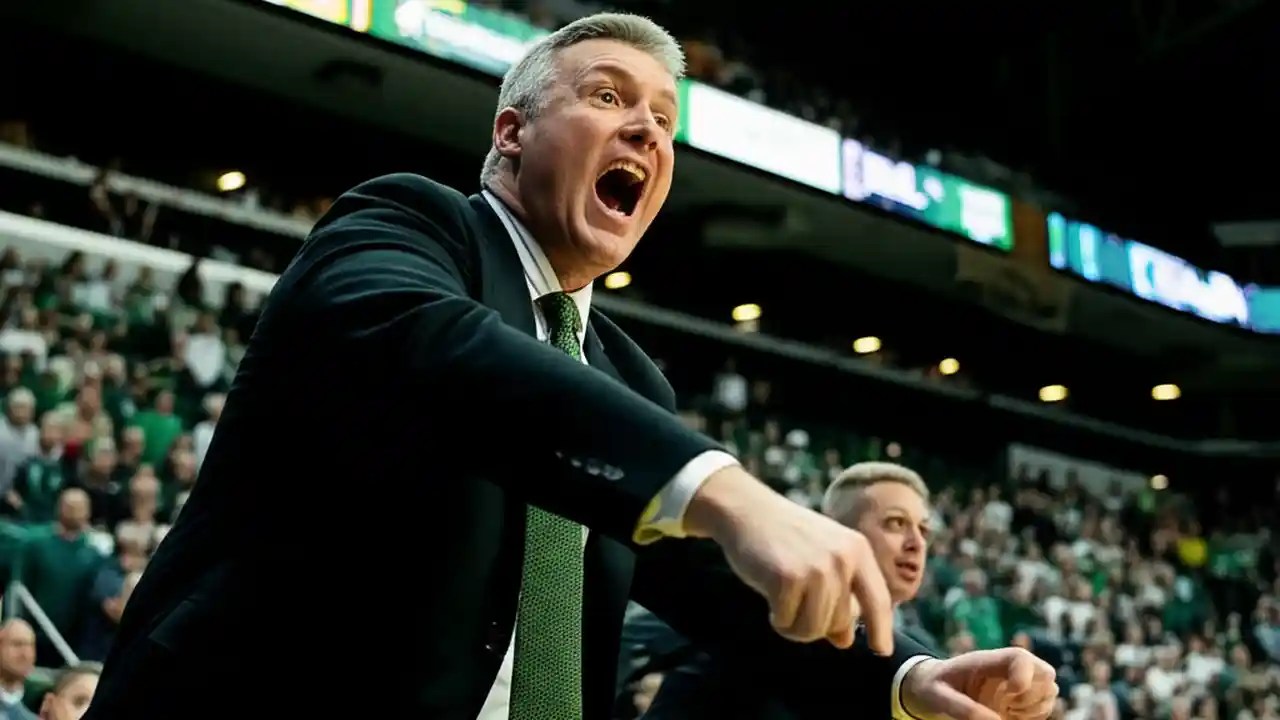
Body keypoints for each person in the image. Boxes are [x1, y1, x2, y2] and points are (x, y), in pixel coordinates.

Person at [85, 13, 1057, 720]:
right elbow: (438, 351)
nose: (645, 130)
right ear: (510, 132)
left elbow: (718, 591)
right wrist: (719, 484)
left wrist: (896, 678)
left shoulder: (628, 379)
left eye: (663, 120)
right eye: (606, 97)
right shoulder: (410, 226)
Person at [628, 462, 940, 719]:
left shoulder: (924, 654)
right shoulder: (749, 619)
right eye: (896, 523)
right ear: (833, 530)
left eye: (924, 529)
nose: (916, 542)